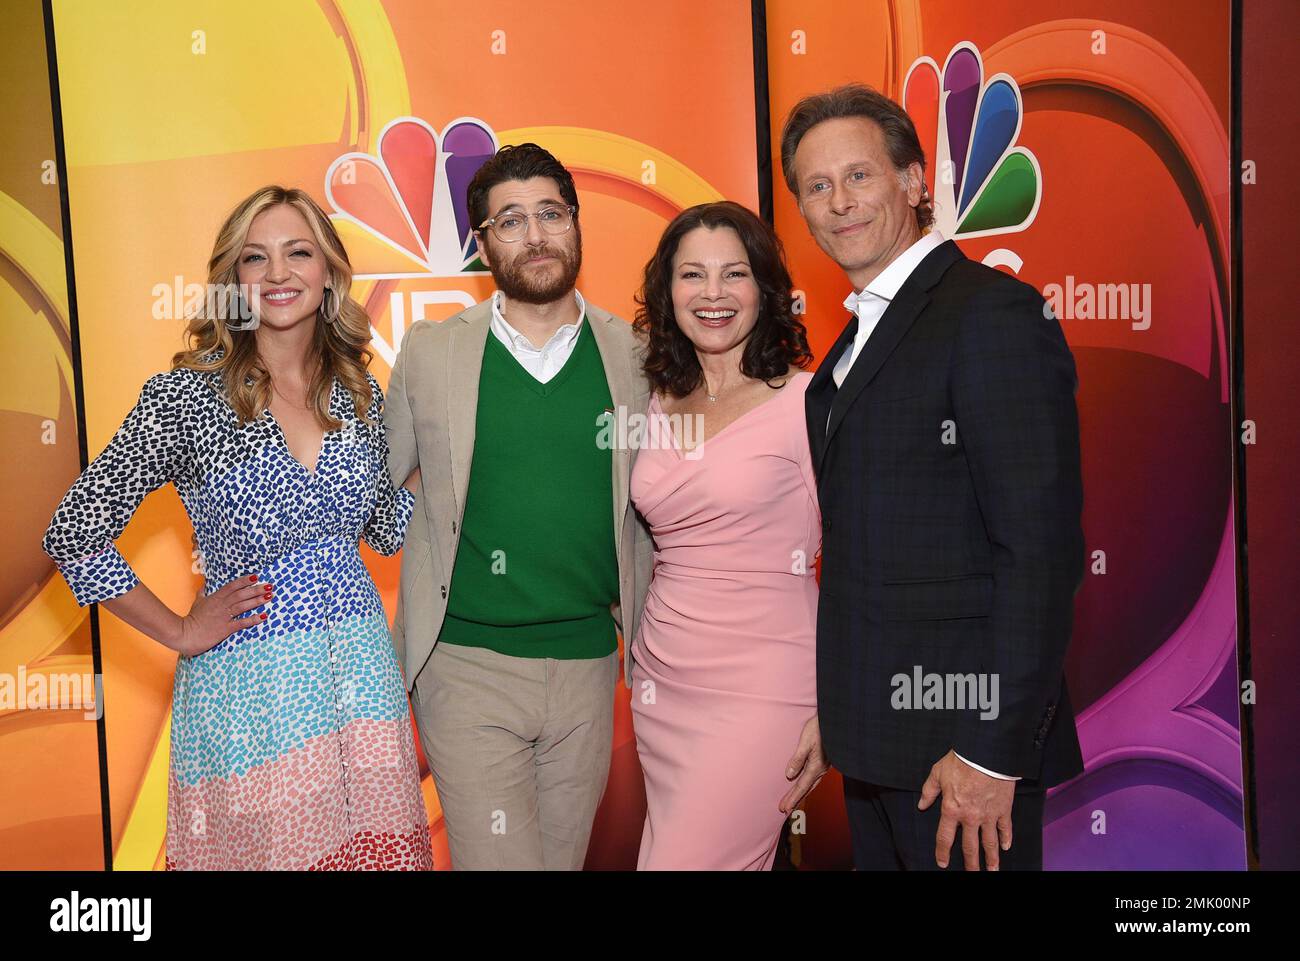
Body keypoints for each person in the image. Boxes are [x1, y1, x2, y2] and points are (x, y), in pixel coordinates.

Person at [42, 185, 432, 870]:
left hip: (363, 684)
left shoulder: (357, 390)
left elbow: (386, 532)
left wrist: (442, 446)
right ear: (232, 280)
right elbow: (74, 530)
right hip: (254, 696)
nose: (279, 274)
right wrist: (180, 630)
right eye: (257, 258)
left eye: (298, 253)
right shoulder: (187, 398)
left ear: (330, 273)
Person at [780, 84, 1085, 870]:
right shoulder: (853, 340)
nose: (839, 203)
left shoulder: (990, 314)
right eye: (816, 187)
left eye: (859, 176)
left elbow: (1039, 555)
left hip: (963, 759)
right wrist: (841, 715)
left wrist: (991, 752)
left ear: (915, 182)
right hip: (879, 747)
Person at [384, 143, 653, 870]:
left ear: (575, 223)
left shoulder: (638, 357)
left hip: (591, 668)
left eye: (550, 214)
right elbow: (377, 489)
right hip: (466, 666)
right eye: (511, 220)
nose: (535, 235)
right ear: (482, 243)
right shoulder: (430, 353)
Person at [628, 201, 827, 870]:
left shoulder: (808, 403)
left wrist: (840, 702)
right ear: (668, 292)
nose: (712, 294)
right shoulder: (651, 401)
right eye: (692, 275)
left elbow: (864, 559)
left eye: (733, 274)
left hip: (766, 685)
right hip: (663, 680)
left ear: (765, 289)